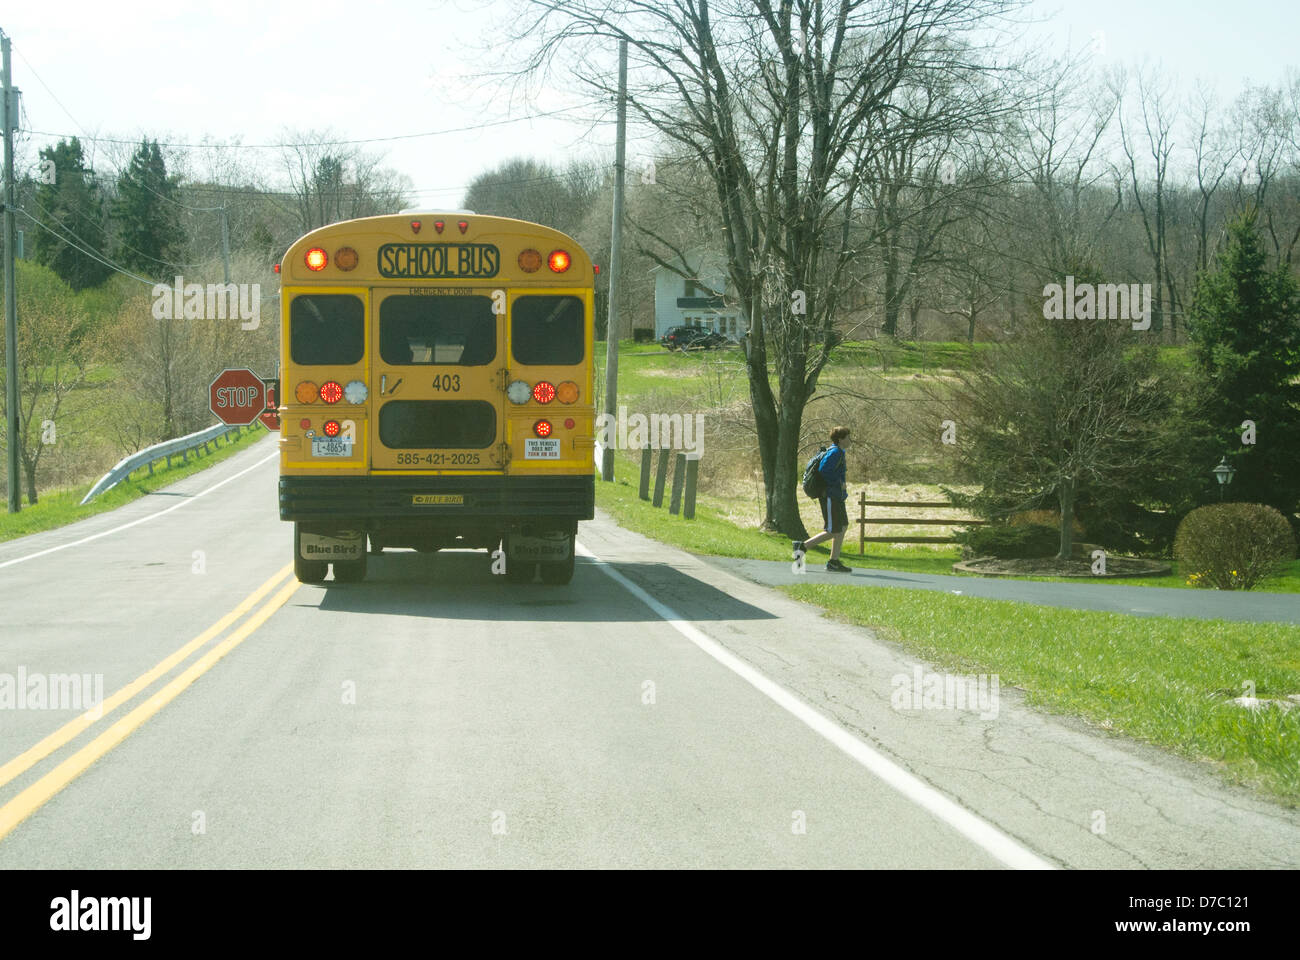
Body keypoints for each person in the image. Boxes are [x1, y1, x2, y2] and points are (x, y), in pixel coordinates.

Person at [793, 427, 852, 573]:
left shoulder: (838, 452)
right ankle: (802, 547)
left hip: (837, 496)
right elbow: (824, 470)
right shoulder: (835, 452)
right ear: (840, 439)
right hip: (830, 496)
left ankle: (834, 561)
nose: (850, 440)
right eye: (848, 437)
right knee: (832, 530)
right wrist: (838, 483)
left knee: (843, 526)